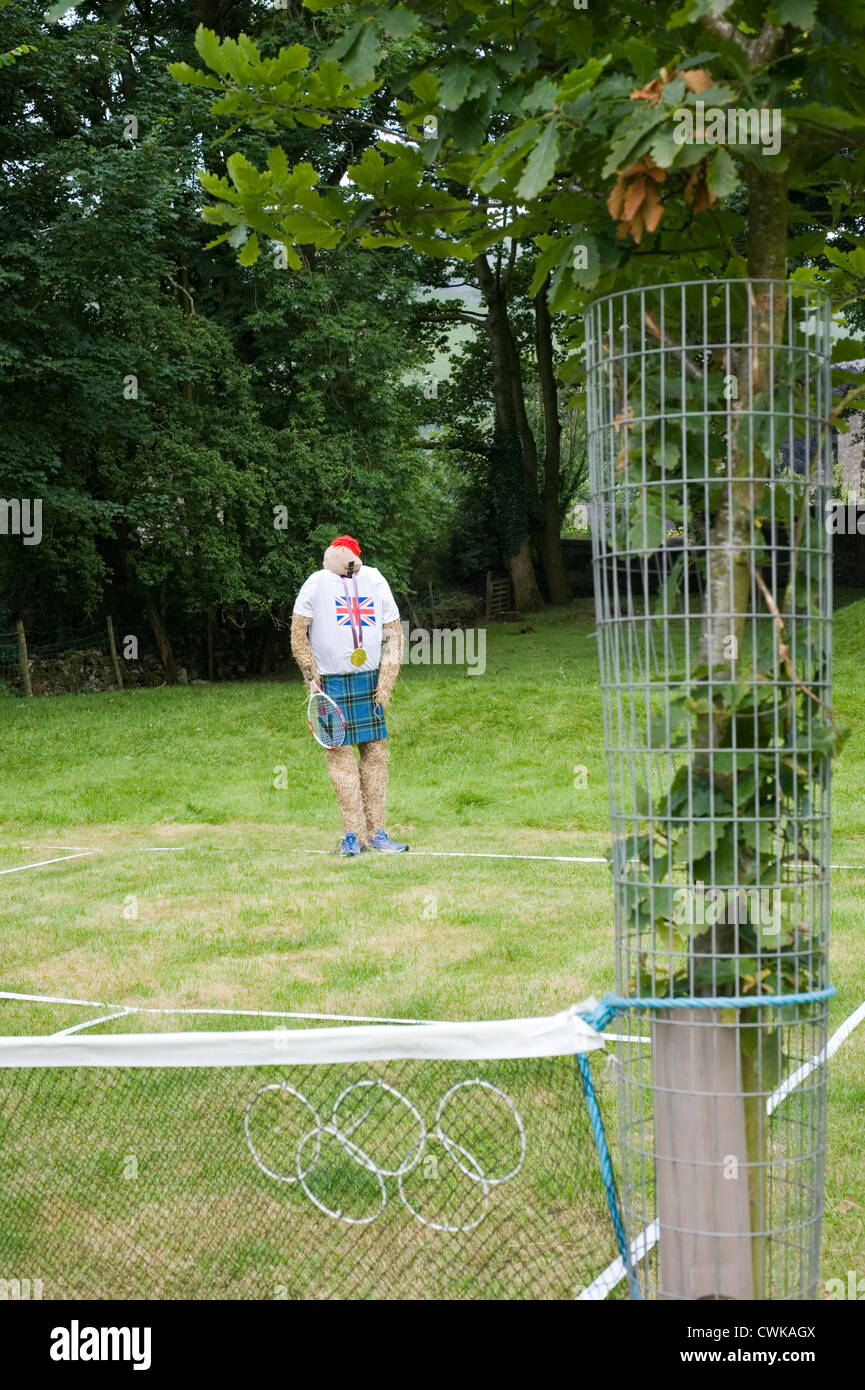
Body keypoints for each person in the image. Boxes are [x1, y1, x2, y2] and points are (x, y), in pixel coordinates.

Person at [290, 534, 408, 857]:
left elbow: (394, 632)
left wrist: (386, 681)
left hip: (369, 683)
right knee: (340, 763)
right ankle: (353, 836)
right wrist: (312, 675)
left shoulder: (375, 579)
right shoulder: (315, 583)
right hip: (331, 684)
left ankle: (378, 832)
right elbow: (298, 633)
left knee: (376, 757)